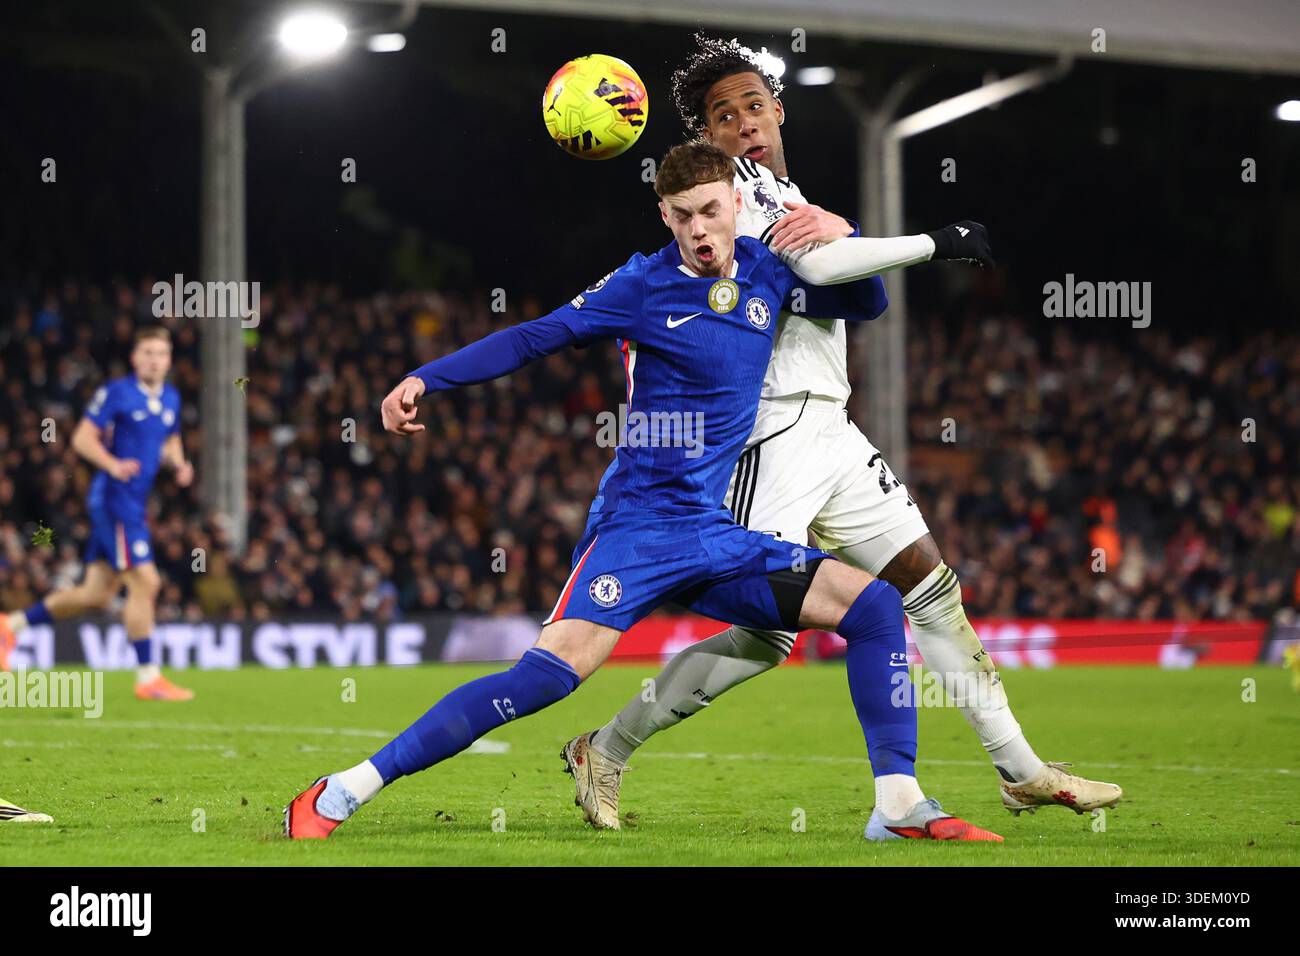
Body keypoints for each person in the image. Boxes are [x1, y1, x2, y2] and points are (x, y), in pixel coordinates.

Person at [285, 140, 1002, 841]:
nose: (699, 229)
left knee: (875, 606)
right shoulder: (640, 286)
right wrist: (424, 378)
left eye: (711, 211)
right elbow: (537, 336)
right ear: (664, 215)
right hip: (637, 529)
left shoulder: (767, 269)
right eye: (683, 214)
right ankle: (345, 788)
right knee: (546, 678)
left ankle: (898, 805)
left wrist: (850, 231)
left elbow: (865, 302)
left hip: (713, 533)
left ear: (734, 204)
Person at [564, 36, 1121, 830]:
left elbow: (861, 303)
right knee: (765, 637)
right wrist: (931, 241)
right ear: (705, 141)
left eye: (755, 106)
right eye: (724, 117)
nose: (745, 124)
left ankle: (1022, 770)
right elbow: (830, 275)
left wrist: (840, 227)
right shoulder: (731, 199)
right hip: (768, 437)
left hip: (833, 426)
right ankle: (608, 747)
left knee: (931, 590)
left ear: (779, 110)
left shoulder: (787, 194)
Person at [0, 327, 195, 701]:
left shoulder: (170, 396)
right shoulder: (116, 392)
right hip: (114, 500)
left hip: (134, 503)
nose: (154, 360)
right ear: (135, 358)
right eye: (148, 353)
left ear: (169, 359)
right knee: (146, 582)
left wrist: (180, 464)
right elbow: (81, 438)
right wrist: (113, 464)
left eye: (161, 353)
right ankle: (148, 678)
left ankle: (12, 624)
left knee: (95, 594)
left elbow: (169, 438)